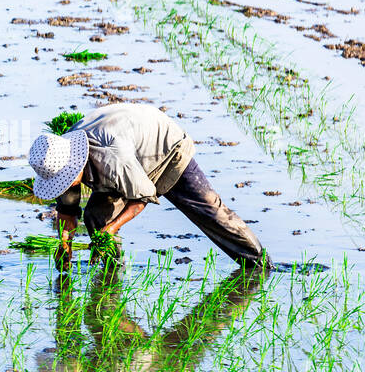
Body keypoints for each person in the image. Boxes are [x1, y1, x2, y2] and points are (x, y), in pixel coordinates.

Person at [27, 103, 267, 267]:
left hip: (166, 149)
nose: (65, 184)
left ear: (76, 163)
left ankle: (258, 264)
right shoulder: (59, 155)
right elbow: (67, 211)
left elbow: (142, 197)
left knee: (211, 211)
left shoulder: (112, 157)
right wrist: (64, 244)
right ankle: (113, 274)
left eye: (66, 178)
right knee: (96, 216)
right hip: (130, 152)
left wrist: (110, 230)